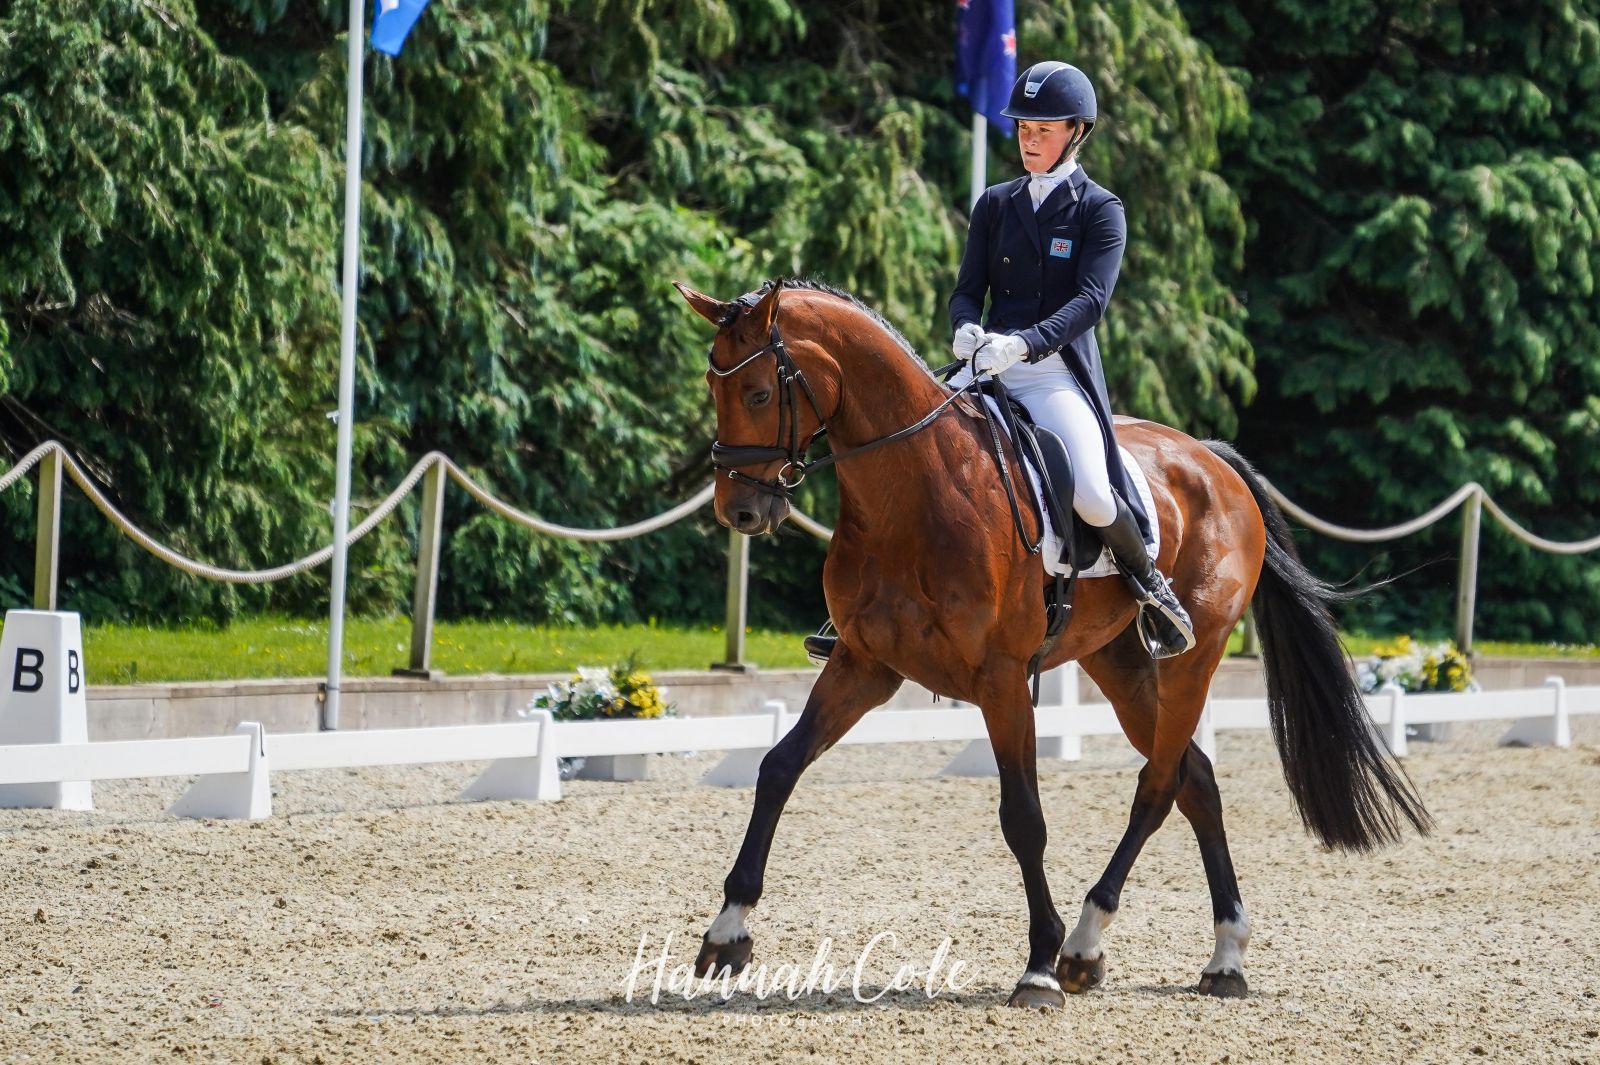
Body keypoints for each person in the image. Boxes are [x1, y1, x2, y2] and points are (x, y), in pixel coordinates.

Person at [805, 60, 1193, 666]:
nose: (1029, 140)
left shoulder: (1099, 209)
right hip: (986, 364)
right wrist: (964, 328)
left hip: (1054, 371)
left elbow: (1091, 302)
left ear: (1076, 131)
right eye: (1023, 129)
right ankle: (859, 603)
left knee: (1091, 492)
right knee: (902, 456)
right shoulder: (995, 203)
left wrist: (1026, 343)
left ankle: (1152, 588)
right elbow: (967, 288)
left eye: (1043, 130)